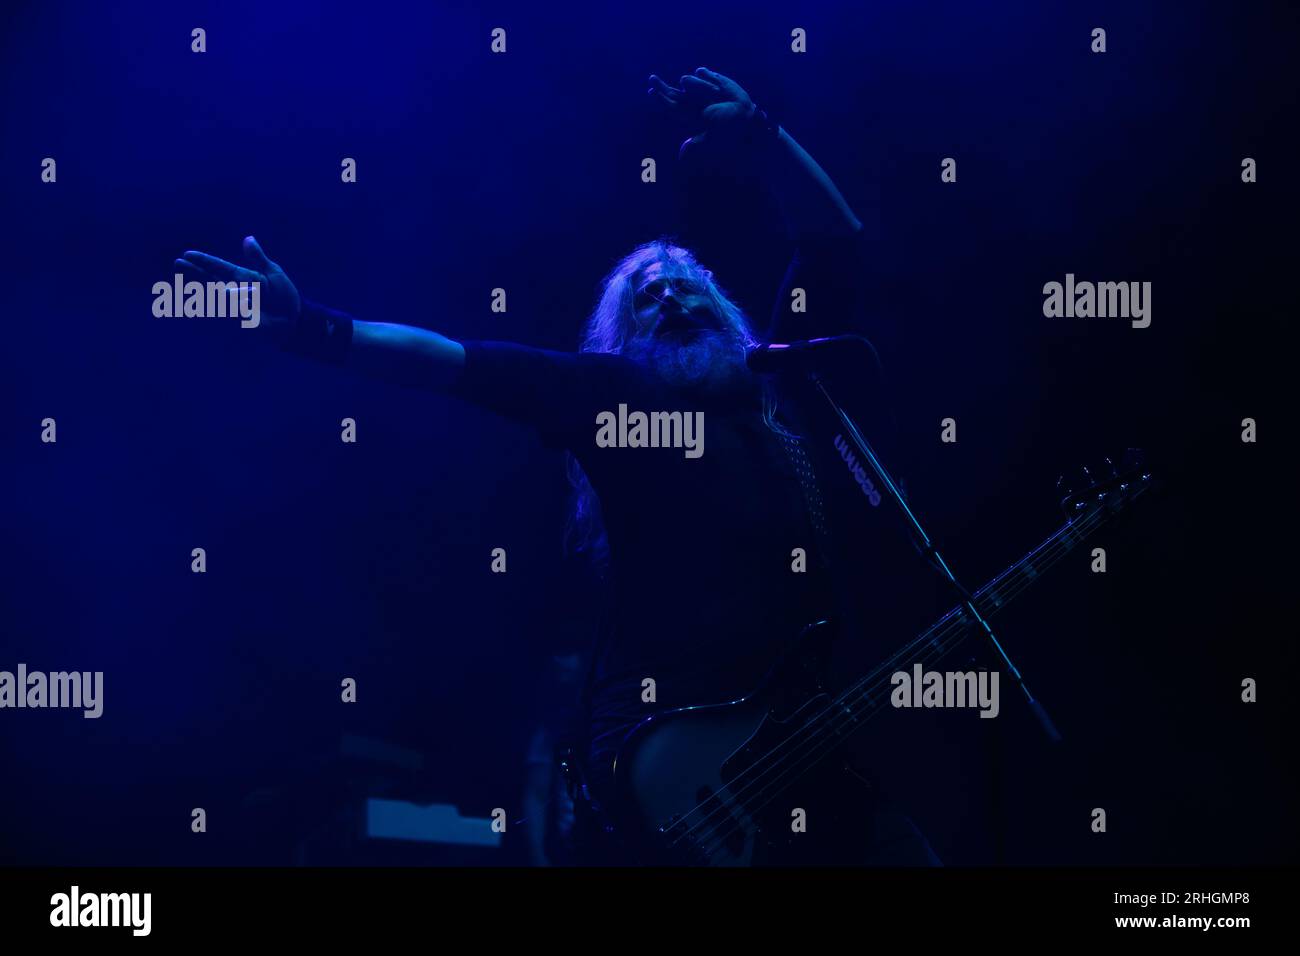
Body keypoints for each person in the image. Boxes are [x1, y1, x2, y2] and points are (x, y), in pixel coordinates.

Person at [177, 67, 939, 866]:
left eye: (690, 289)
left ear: (730, 315)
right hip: (676, 753)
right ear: (625, 337)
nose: (674, 298)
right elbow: (462, 363)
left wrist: (762, 137)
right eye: (648, 297)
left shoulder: (790, 401)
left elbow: (833, 244)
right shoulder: (622, 397)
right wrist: (311, 328)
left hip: (811, 744)